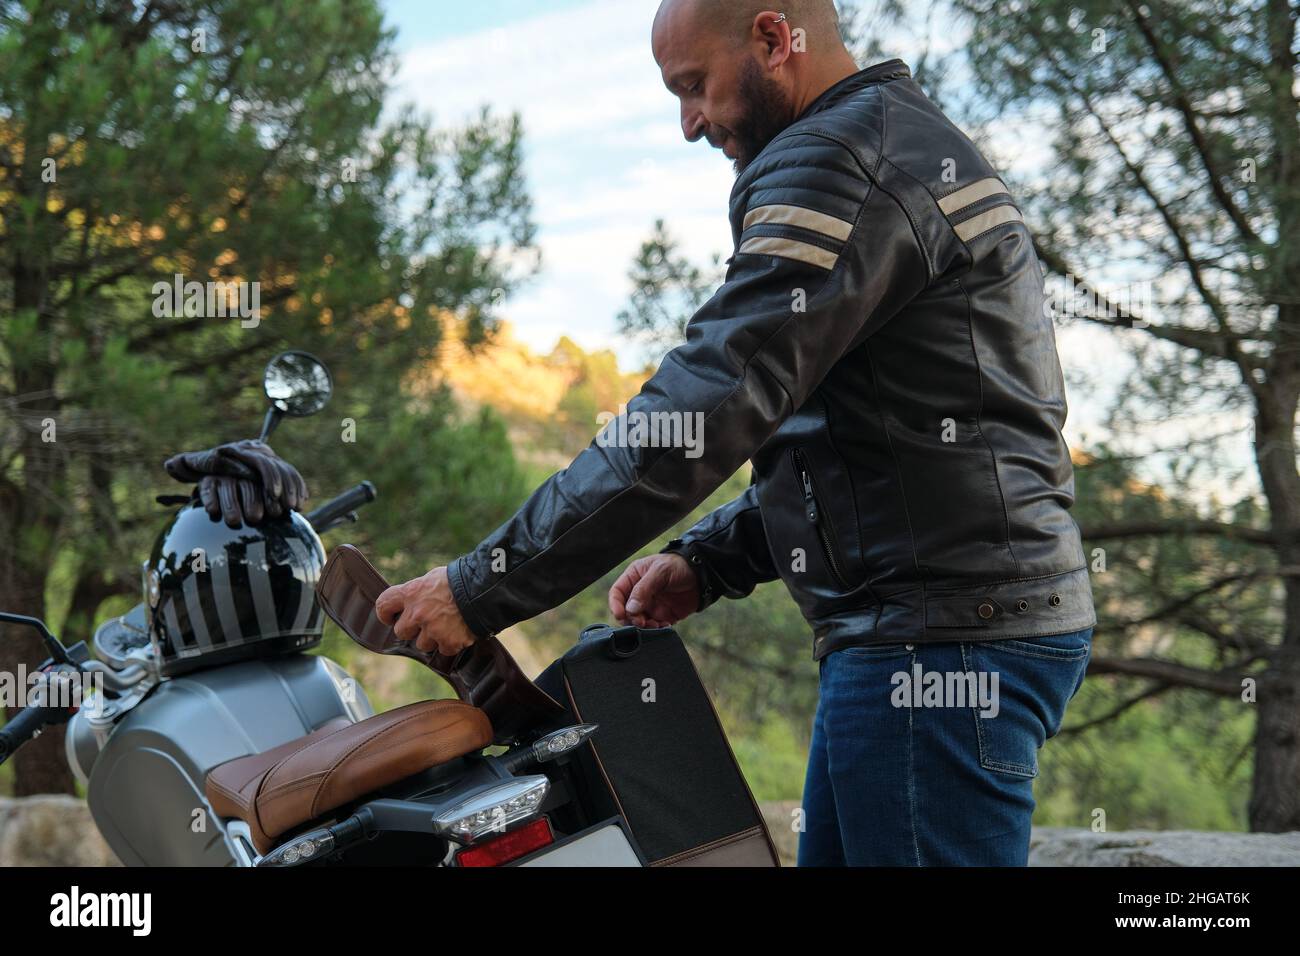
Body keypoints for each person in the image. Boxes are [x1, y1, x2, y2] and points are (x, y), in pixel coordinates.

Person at [375, 0, 1096, 866]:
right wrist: (712, 559)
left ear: (769, 38)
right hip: (931, 628)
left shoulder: (839, 159)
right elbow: (892, 441)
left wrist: (480, 586)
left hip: (936, 641)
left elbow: (710, 399)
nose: (688, 124)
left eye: (694, 87)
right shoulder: (896, 140)